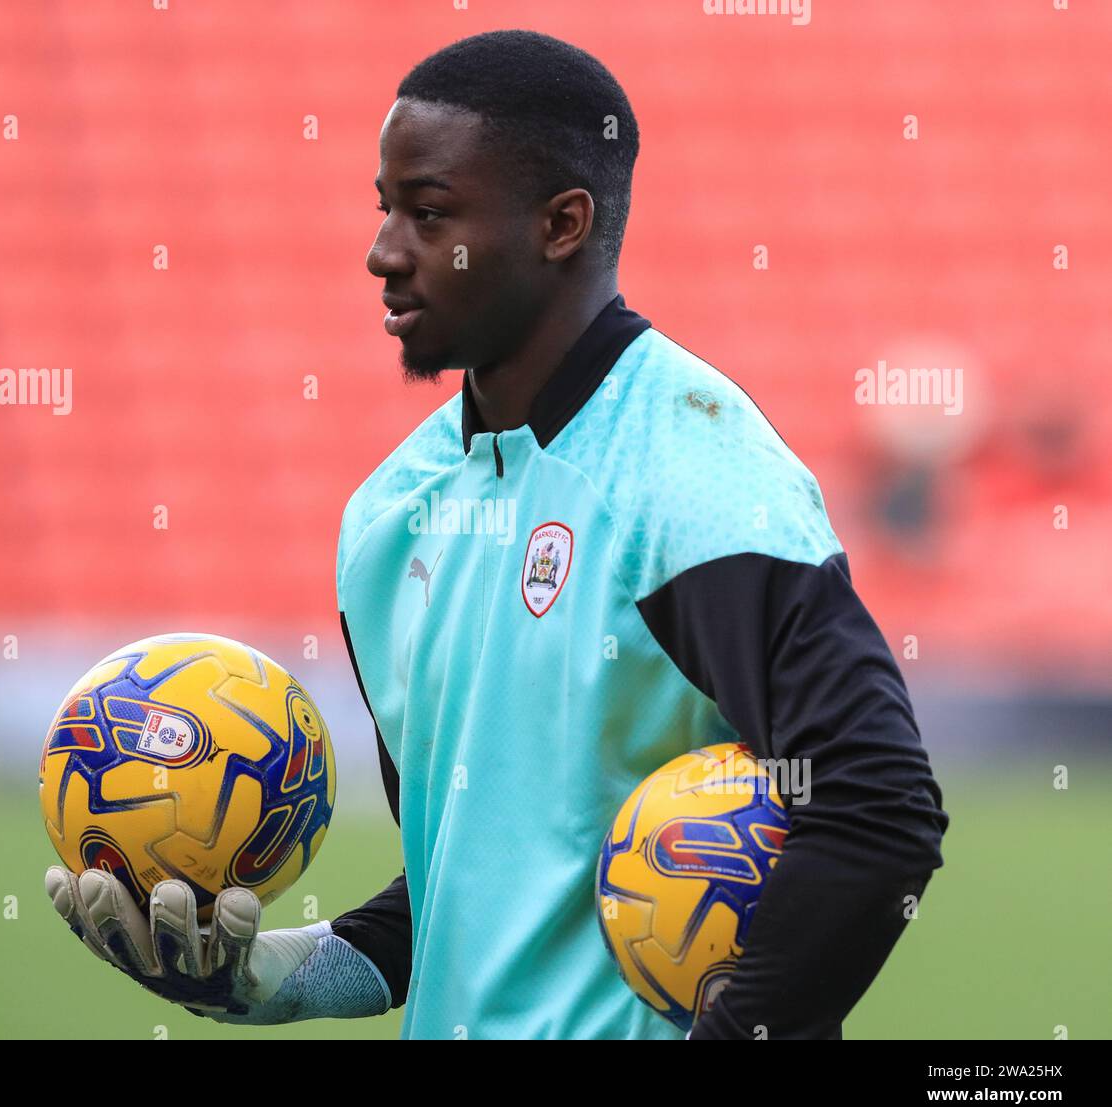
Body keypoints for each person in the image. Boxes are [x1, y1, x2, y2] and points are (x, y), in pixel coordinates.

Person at [47, 28, 948, 1040]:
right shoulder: (389, 521)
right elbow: (463, 889)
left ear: (561, 225)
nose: (383, 251)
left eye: (429, 214)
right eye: (384, 208)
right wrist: (263, 977)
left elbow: (877, 804)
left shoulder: (696, 476)